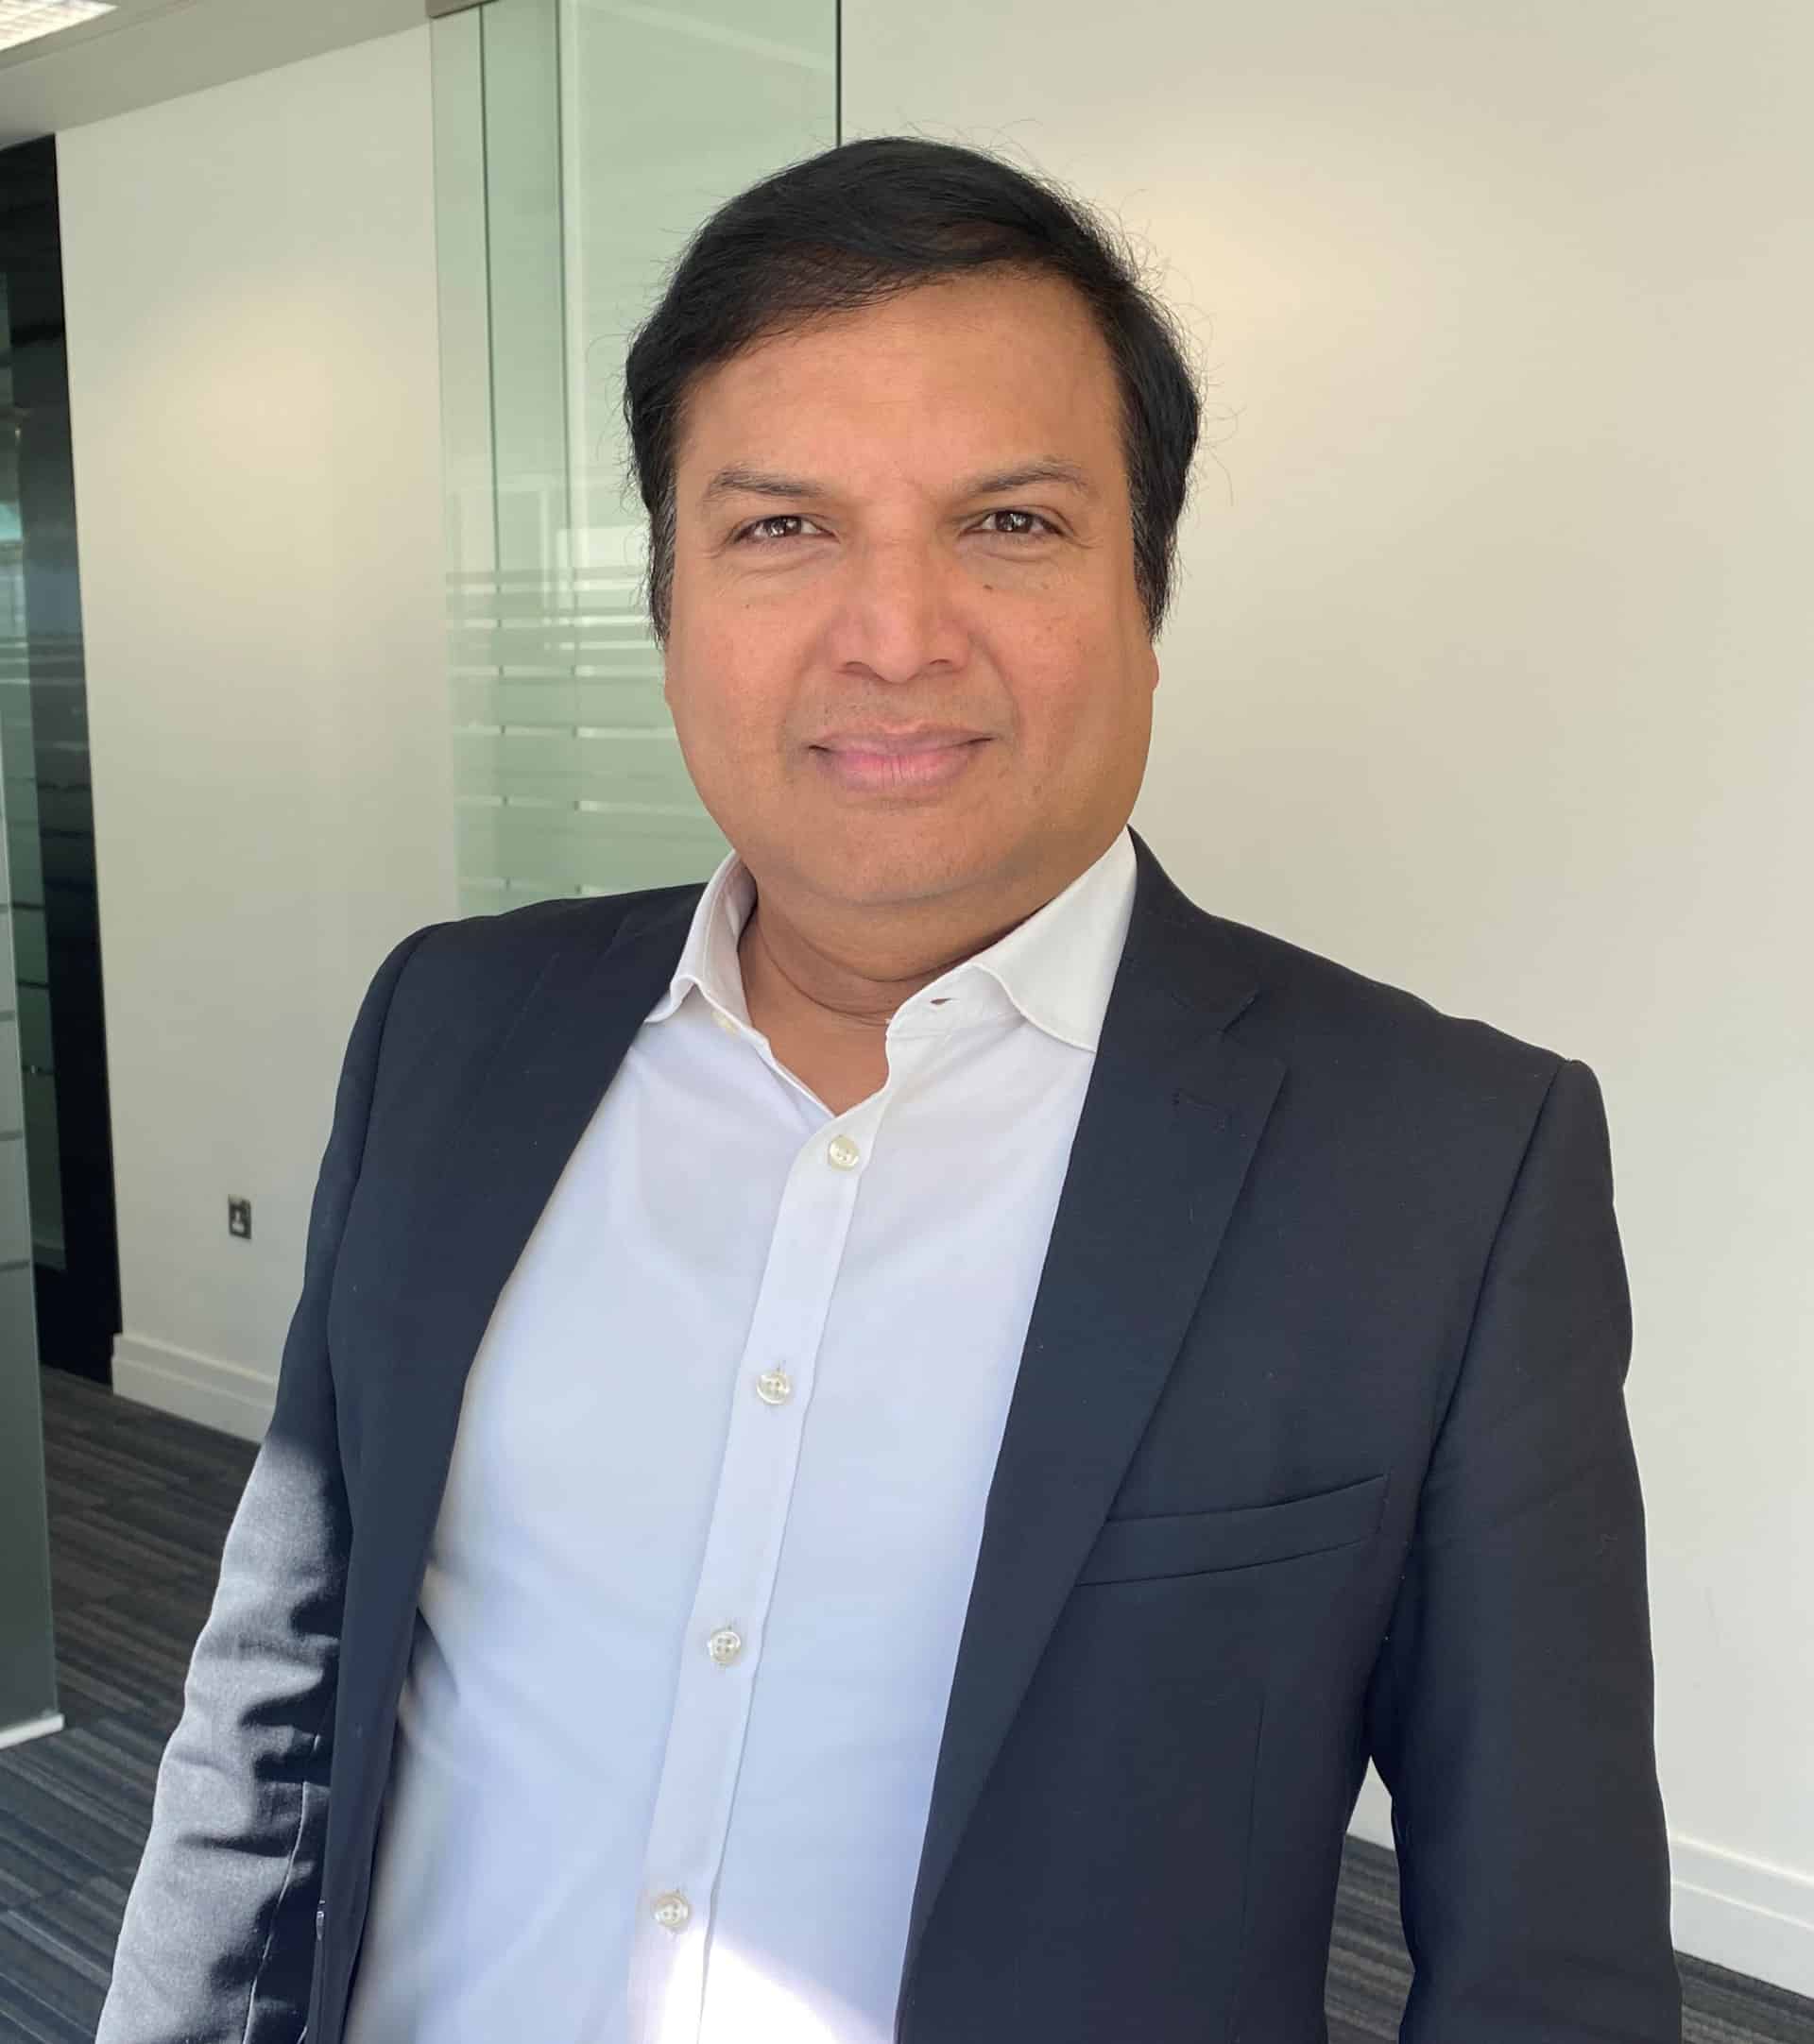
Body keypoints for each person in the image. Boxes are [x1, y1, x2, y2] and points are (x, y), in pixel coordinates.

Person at [95, 136, 1680, 2044]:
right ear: (666, 600)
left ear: (1145, 595)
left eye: (1008, 521)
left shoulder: (1443, 1166)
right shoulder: (454, 1026)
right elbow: (281, 1694)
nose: (898, 634)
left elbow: (1548, 1962)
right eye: (783, 527)